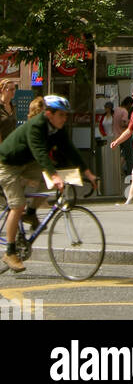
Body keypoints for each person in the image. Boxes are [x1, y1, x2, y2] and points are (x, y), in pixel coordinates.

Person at [0, 94, 97, 273]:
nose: (64, 118)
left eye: (66, 115)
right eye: (61, 115)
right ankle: (10, 251)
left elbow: (69, 149)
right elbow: (39, 153)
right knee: (17, 205)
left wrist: (88, 173)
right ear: (49, 113)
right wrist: (54, 176)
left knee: (46, 181)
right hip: (8, 164)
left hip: (27, 163)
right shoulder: (37, 126)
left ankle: (30, 213)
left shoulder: (57, 129)